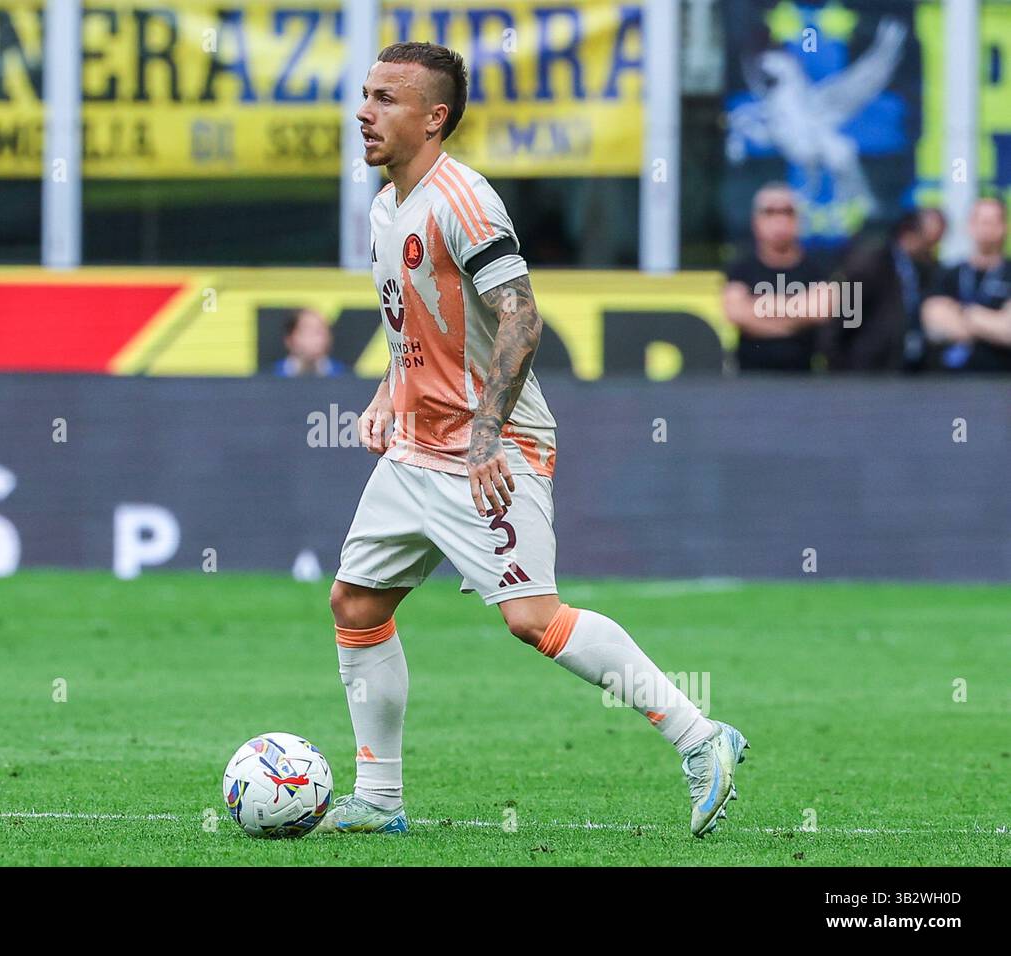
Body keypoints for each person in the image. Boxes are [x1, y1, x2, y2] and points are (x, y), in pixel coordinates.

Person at [322, 41, 749, 839]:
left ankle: (702, 737)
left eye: (385, 98)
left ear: (434, 117)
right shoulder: (386, 207)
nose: (364, 112)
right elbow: (419, 327)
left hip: (492, 446)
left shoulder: (465, 200)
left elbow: (522, 318)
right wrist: (389, 391)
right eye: (366, 94)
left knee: (533, 618)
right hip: (417, 446)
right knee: (355, 603)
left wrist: (486, 436)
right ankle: (378, 799)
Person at [722, 183, 836, 372]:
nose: (779, 220)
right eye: (770, 212)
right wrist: (798, 311)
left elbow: (820, 310)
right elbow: (736, 313)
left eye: (787, 212)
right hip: (748, 381)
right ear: (755, 221)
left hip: (805, 381)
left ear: (798, 220)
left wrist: (757, 308)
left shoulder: (817, 268)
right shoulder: (741, 268)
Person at [825, 211, 929, 372]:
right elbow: (845, 320)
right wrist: (840, 365)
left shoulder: (916, 267)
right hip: (867, 367)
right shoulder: (870, 266)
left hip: (900, 364)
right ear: (909, 234)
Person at [921, 197, 1011, 373]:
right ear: (970, 225)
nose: (986, 228)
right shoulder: (948, 274)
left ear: (1004, 227)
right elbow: (933, 323)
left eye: (992, 221)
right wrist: (992, 322)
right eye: (981, 221)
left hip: (1001, 380)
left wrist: (963, 312)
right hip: (949, 382)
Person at [274, 308, 348, 377]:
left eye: (320, 331)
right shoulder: (270, 376)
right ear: (289, 339)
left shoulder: (345, 376)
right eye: (307, 330)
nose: (316, 338)